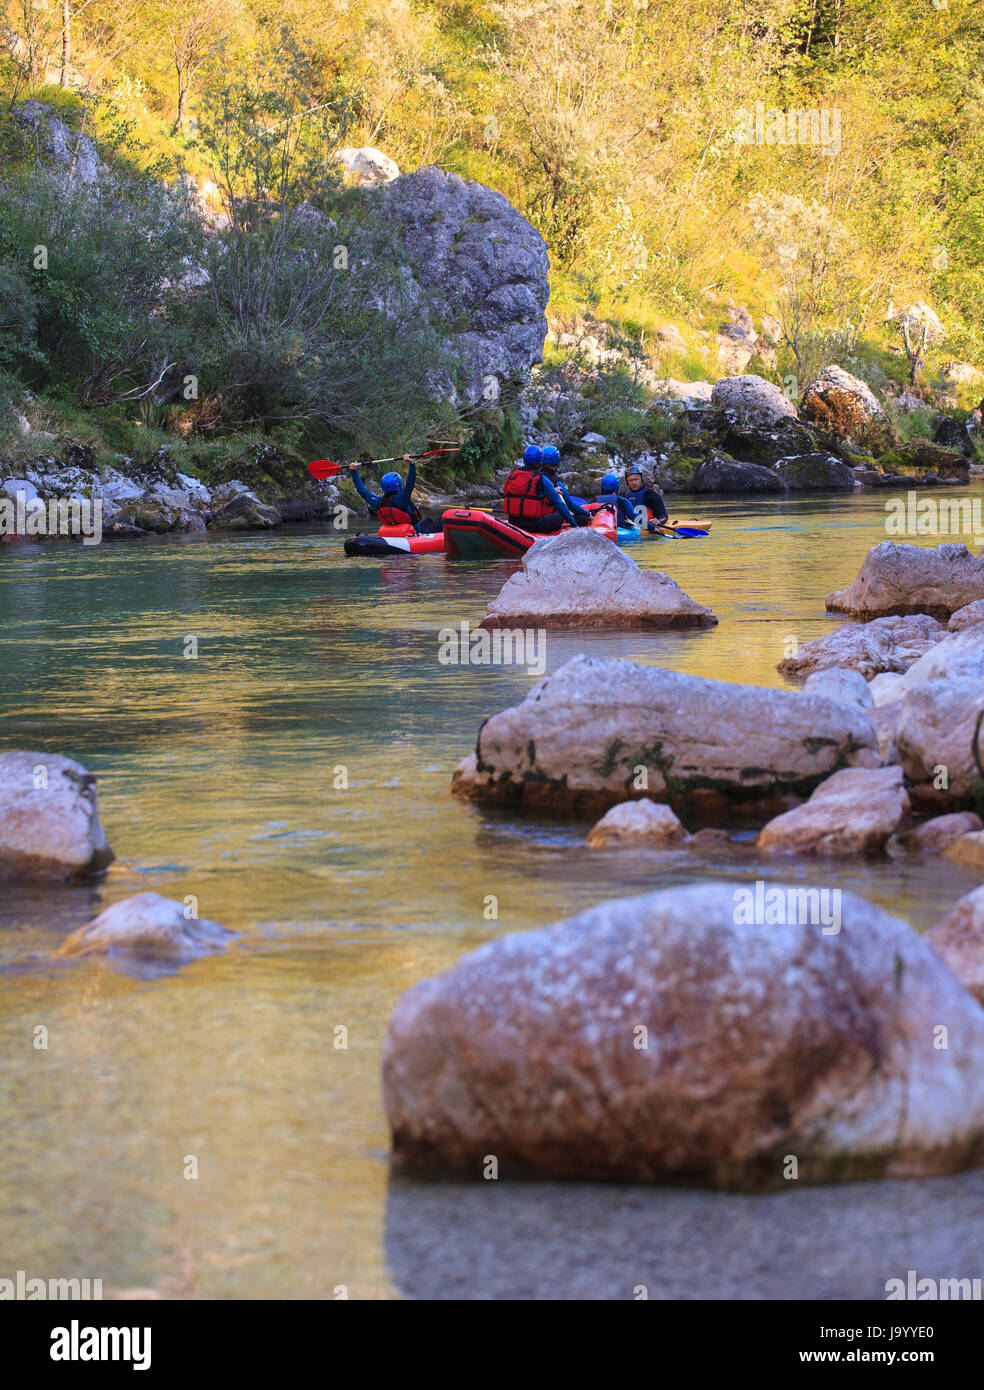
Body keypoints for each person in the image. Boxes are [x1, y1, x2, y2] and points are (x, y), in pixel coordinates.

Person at [502, 445, 589, 533]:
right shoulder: (541, 478)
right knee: (561, 514)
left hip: (513, 522)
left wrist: (551, 491)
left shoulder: (512, 475)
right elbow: (560, 505)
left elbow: (523, 494)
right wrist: (576, 527)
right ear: (539, 460)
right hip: (534, 526)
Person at [349, 455, 440, 534]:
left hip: (397, 532)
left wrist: (354, 472)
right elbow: (410, 484)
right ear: (398, 485)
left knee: (429, 520)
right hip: (415, 533)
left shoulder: (378, 502)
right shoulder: (401, 500)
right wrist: (411, 464)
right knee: (442, 521)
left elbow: (362, 491)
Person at [623, 466, 669, 532]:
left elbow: (664, 515)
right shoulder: (625, 496)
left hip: (650, 528)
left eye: (636, 479)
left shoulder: (652, 495)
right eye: (630, 480)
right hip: (632, 529)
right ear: (627, 482)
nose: (634, 483)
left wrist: (659, 521)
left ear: (641, 479)